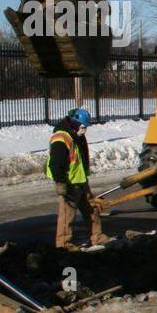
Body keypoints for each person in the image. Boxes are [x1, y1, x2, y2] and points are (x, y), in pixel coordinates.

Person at [45, 107, 108, 250]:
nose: (85, 129)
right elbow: (56, 164)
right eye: (83, 126)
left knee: (91, 208)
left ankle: (97, 236)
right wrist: (61, 183)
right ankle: (63, 244)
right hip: (68, 181)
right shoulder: (61, 138)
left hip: (80, 179)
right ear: (75, 123)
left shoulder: (76, 135)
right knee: (67, 214)